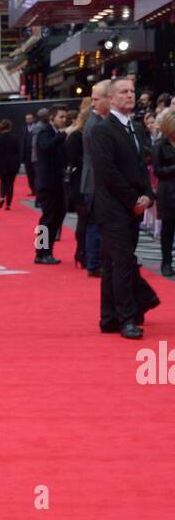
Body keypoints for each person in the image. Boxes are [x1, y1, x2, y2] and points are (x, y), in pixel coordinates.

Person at [86, 74, 157, 338]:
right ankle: (127, 318)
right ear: (112, 98)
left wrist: (148, 195)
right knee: (123, 263)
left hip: (132, 207)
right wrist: (133, 200)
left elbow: (141, 166)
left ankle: (109, 317)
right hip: (114, 209)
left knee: (114, 263)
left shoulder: (135, 128)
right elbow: (108, 173)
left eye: (132, 91)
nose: (130, 95)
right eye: (124, 92)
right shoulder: (102, 130)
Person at [79, 80, 111, 279]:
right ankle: (93, 262)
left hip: (92, 180)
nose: (93, 103)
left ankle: (93, 261)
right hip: (94, 182)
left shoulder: (95, 122)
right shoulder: (95, 124)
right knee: (95, 224)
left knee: (94, 224)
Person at [33, 106, 67, 265]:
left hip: (57, 182)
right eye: (61, 117)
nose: (64, 120)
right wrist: (62, 135)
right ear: (52, 118)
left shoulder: (54, 133)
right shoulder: (45, 131)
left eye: (65, 117)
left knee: (55, 218)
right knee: (47, 219)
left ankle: (48, 251)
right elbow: (46, 146)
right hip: (47, 184)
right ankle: (41, 252)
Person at [65, 98, 92, 267]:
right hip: (77, 183)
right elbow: (73, 159)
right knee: (46, 222)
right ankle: (42, 249)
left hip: (81, 182)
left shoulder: (78, 135)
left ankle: (82, 252)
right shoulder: (75, 136)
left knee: (86, 220)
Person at [151, 106, 175, 277]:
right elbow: (158, 170)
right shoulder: (160, 145)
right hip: (168, 191)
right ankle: (166, 262)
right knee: (168, 229)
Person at [0, 118, 20, 209]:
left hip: (1, 164)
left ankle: (2, 197)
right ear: (10, 127)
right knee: (10, 184)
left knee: (3, 182)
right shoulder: (15, 138)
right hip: (13, 164)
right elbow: (18, 152)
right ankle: (8, 204)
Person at [22, 111, 37, 195]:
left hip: (35, 154)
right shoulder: (24, 129)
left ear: (34, 119)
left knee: (36, 173)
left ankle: (37, 189)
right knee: (29, 174)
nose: (28, 120)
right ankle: (32, 189)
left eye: (30, 118)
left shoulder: (36, 128)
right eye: (27, 119)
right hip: (27, 155)